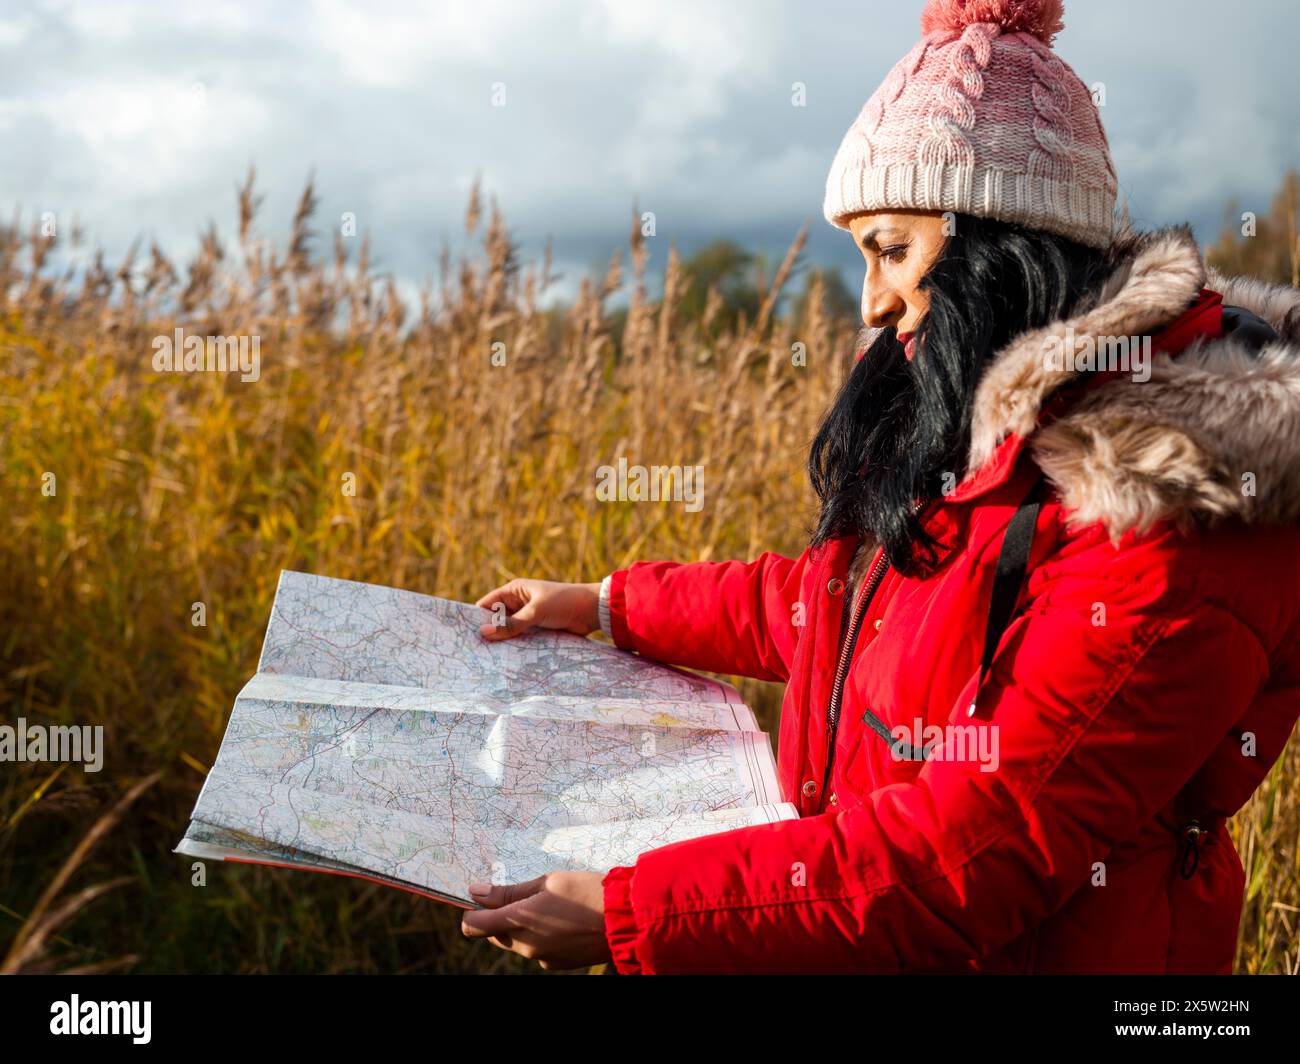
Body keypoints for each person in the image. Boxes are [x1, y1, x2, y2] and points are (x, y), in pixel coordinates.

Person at [460, 0, 1300, 973]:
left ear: (1004, 240)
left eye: (891, 249)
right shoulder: (1001, 430)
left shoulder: (1171, 514)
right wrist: (608, 606)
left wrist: (632, 910)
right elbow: (829, 605)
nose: (868, 303)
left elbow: (979, 849)